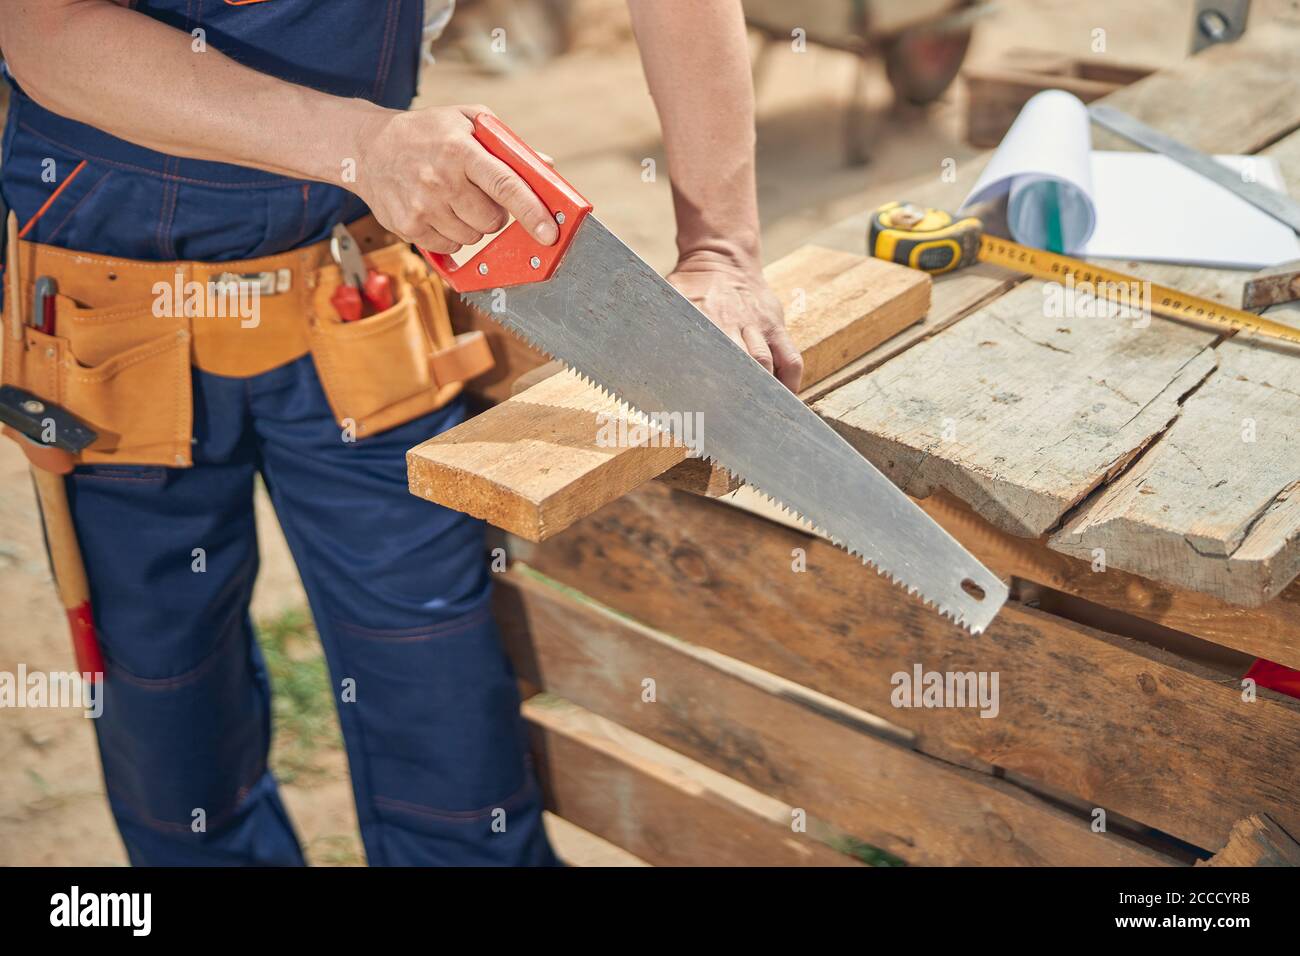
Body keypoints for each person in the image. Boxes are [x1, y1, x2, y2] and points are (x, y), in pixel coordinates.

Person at [0, 0, 800, 866]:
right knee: (169, 731)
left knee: (447, 727)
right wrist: (362, 144)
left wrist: (719, 248)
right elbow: (42, 29)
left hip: (359, 295)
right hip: (107, 319)